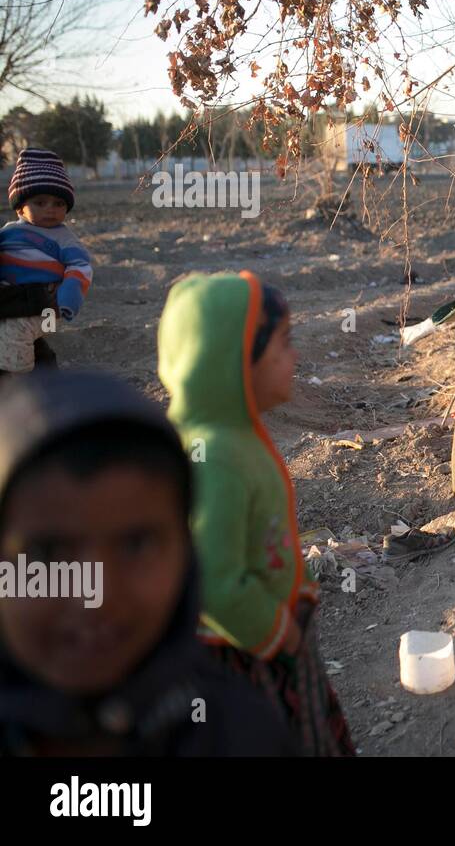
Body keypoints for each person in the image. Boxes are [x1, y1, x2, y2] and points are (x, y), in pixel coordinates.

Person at [0, 370, 296, 755]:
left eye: (135, 545)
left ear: (186, 556)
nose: (98, 596)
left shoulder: (237, 733)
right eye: (47, 553)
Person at [157, 270, 355, 755]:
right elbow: (212, 579)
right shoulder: (214, 456)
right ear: (235, 363)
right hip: (243, 656)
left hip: (270, 641)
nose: (296, 357)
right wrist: (277, 631)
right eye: (285, 344)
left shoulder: (239, 434)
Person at [0, 148, 93, 374]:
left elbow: (80, 266)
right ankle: (43, 371)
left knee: (17, 330)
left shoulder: (63, 238)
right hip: (12, 298)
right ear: (20, 207)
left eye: (58, 204)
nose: (50, 209)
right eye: (40, 203)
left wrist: (68, 297)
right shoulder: (9, 233)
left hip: (48, 307)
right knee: (17, 335)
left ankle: (18, 381)